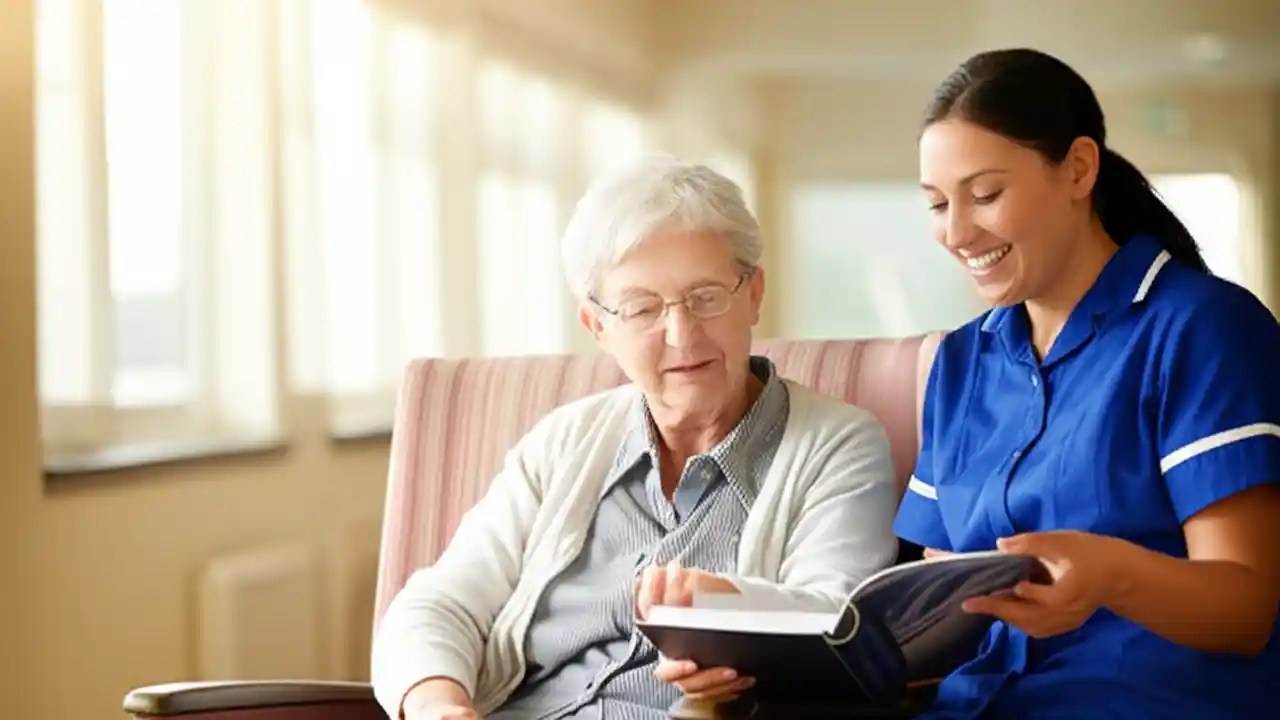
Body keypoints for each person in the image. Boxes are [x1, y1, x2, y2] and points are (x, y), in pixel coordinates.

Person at [370, 154, 899, 720]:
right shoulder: (563, 442)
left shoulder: (836, 445)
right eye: (642, 307)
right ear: (598, 326)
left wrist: (734, 618)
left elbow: (837, 630)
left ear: (753, 293)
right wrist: (438, 705)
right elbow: (440, 601)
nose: (681, 334)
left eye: (706, 297)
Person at [891, 48, 1280, 717]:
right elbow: (925, 611)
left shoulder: (1202, 328)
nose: (955, 232)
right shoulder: (959, 362)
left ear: (1078, 168)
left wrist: (1111, 576)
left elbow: (1246, 610)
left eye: (985, 195)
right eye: (936, 204)